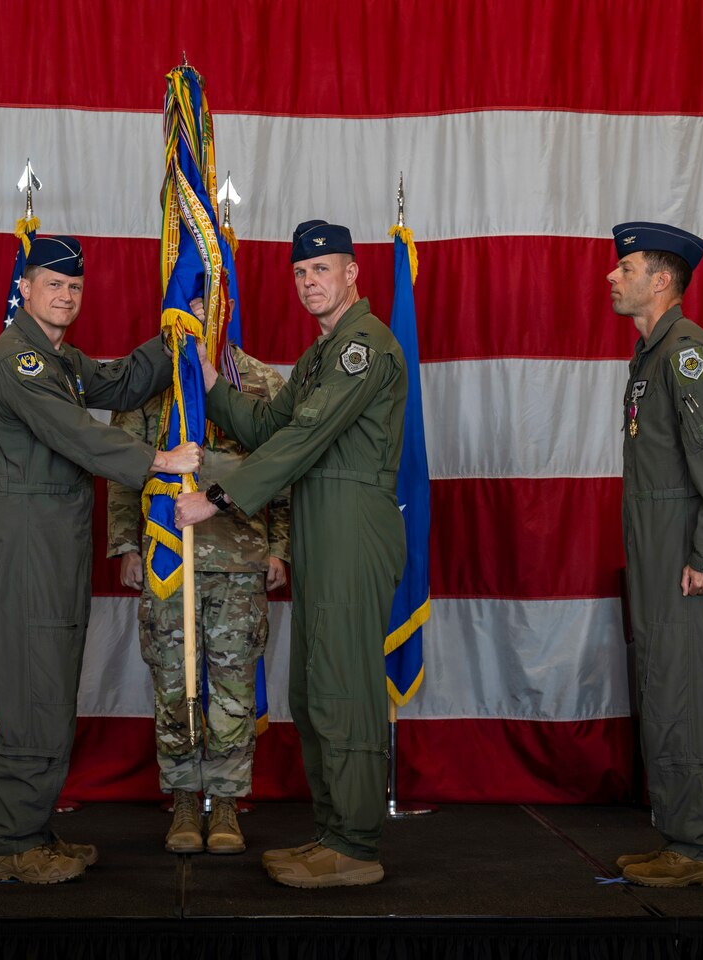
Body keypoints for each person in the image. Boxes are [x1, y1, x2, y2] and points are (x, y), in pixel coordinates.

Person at [175, 220, 406, 888]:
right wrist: (212, 381)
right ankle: (332, 832)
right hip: (322, 525)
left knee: (345, 688)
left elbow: (303, 437)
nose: (309, 283)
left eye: (322, 270)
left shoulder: (363, 346)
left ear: (352, 273)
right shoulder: (321, 353)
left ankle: (356, 845)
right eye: (300, 273)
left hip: (354, 525)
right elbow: (266, 426)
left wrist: (217, 498)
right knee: (313, 689)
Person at [0, 235, 202, 884]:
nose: (66, 295)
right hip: (30, 539)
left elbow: (121, 383)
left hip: (56, 538)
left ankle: (33, 830)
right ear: (24, 289)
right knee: (33, 691)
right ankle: (10, 845)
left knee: (50, 686)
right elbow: (72, 432)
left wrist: (177, 331)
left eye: (74, 287)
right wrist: (158, 461)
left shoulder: (60, 359)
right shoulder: (15, 362)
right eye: (53, 284)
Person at [106, 344, 290, 855]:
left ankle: (226, 802)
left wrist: (279, 549)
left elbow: (282, 469)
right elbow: (124, 469)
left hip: (240, 561)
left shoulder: (260, 381)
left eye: (208, 303)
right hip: (168, 562)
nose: (199, 310)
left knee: (233, 690)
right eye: (189, 304)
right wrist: (126, 544)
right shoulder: (148, 381)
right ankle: (185, 799)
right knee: (173, 683)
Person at [608, 221, 703, 888]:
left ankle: (702, 850)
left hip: (686, 555)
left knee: (685, 694)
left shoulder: (685, 352)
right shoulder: (650, 355)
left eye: (626, 267)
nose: (612, 276)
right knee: (664, 688)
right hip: (657, 548)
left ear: (662, 279)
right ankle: (679, 837)